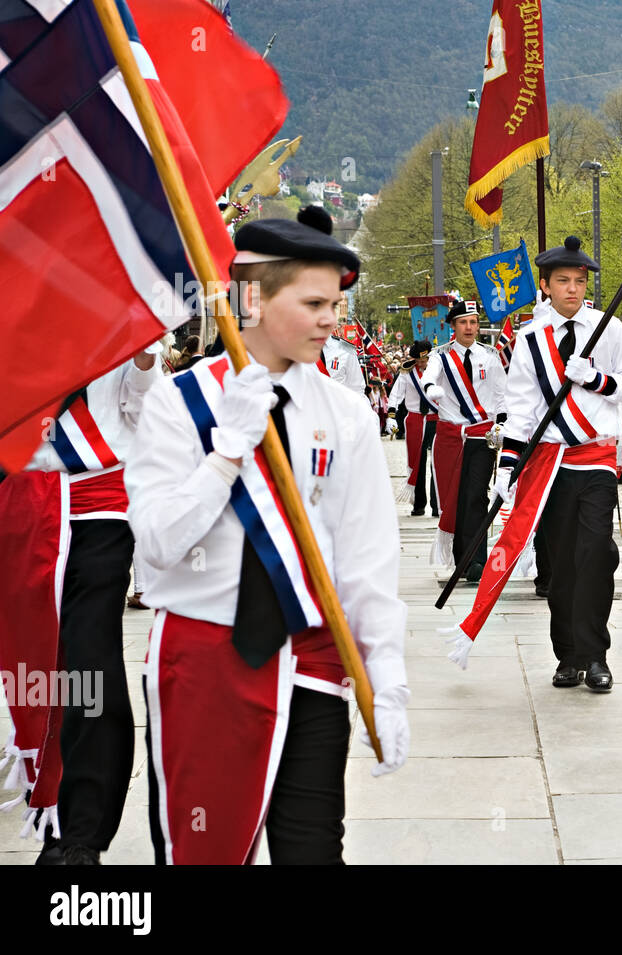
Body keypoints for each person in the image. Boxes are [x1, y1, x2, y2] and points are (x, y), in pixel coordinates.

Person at [127, 209, 409, 864]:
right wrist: (224, 453)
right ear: (250, 297)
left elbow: (366, 559)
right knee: (205, 849)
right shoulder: (180, 403)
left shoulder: (345, 412)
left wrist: (387, 675)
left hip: (313, 653)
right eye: (313, 302)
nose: (331, 319)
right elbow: (157, 544)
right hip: (205, 656)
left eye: (336, 303)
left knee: (313, 847)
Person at [446, 236, 622, 692]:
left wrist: (597, 379)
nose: (572, 289)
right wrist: (508, 470)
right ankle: (567, 656)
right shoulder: (531, 339)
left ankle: (595, 655)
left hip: (595, 459)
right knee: (560, 565)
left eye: (579, 281)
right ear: (547, 287)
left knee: (595, 555)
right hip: (549, 464)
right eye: (562, 281)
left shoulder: (608, 329)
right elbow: (522, 410)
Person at [0, 350, 161, 865]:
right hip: (22, 496)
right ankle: (45, 792)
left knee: (91, 660)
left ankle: (79, 834)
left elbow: (144, 411)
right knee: (35, 657)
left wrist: (142, 362)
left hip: (100, 501)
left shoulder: (116, 302)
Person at [421, 300, 505, 583]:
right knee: (454, 499)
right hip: (450, 439)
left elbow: (501, 396)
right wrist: (431, 388)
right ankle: (462, 560)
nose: (469, 328)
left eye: (473, 322)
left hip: (481, 437)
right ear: (453, 326)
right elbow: (428, 377)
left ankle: (476, 560)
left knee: (476, 496)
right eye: (463, 322)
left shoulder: (491, 356)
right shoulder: (439, 357)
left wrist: (503, 423)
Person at [388, 340, 438, 516]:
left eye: (425, 360)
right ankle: (418, 504)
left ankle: (437, 504)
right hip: (415, 418)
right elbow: (396, 394)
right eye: (420, 361)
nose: (423, 364)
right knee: (417, 461)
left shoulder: (439, 368)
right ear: (415, 359)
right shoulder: (406, 372)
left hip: (436, 417)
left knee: (437, 463)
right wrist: (391, 415)